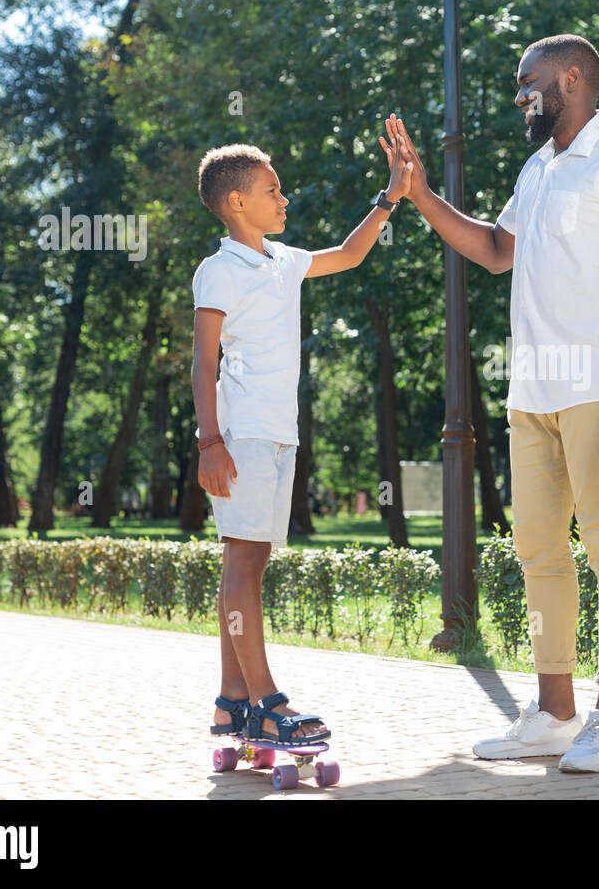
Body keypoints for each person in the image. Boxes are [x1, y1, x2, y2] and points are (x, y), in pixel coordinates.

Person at [388, 33, 599, 771]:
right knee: (538, 552)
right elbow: (492, 248)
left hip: (598, 389)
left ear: (572, 78)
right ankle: (553, 711)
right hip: (533, 393)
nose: (521, 96)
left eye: (530, 83)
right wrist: (419, 194)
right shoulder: (538, 168)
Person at [192, 135, 413, 743]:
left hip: (277, 435)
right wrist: (210, 441)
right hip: (239, 438)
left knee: (250, 560)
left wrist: (389, 198)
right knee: (242, 560)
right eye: (272, 190)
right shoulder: (218, 271)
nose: (284, 198)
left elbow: (348, 253)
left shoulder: (283, 260)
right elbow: (201, 360)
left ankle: (230, 701)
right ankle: (265, 701)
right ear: (237, 201)